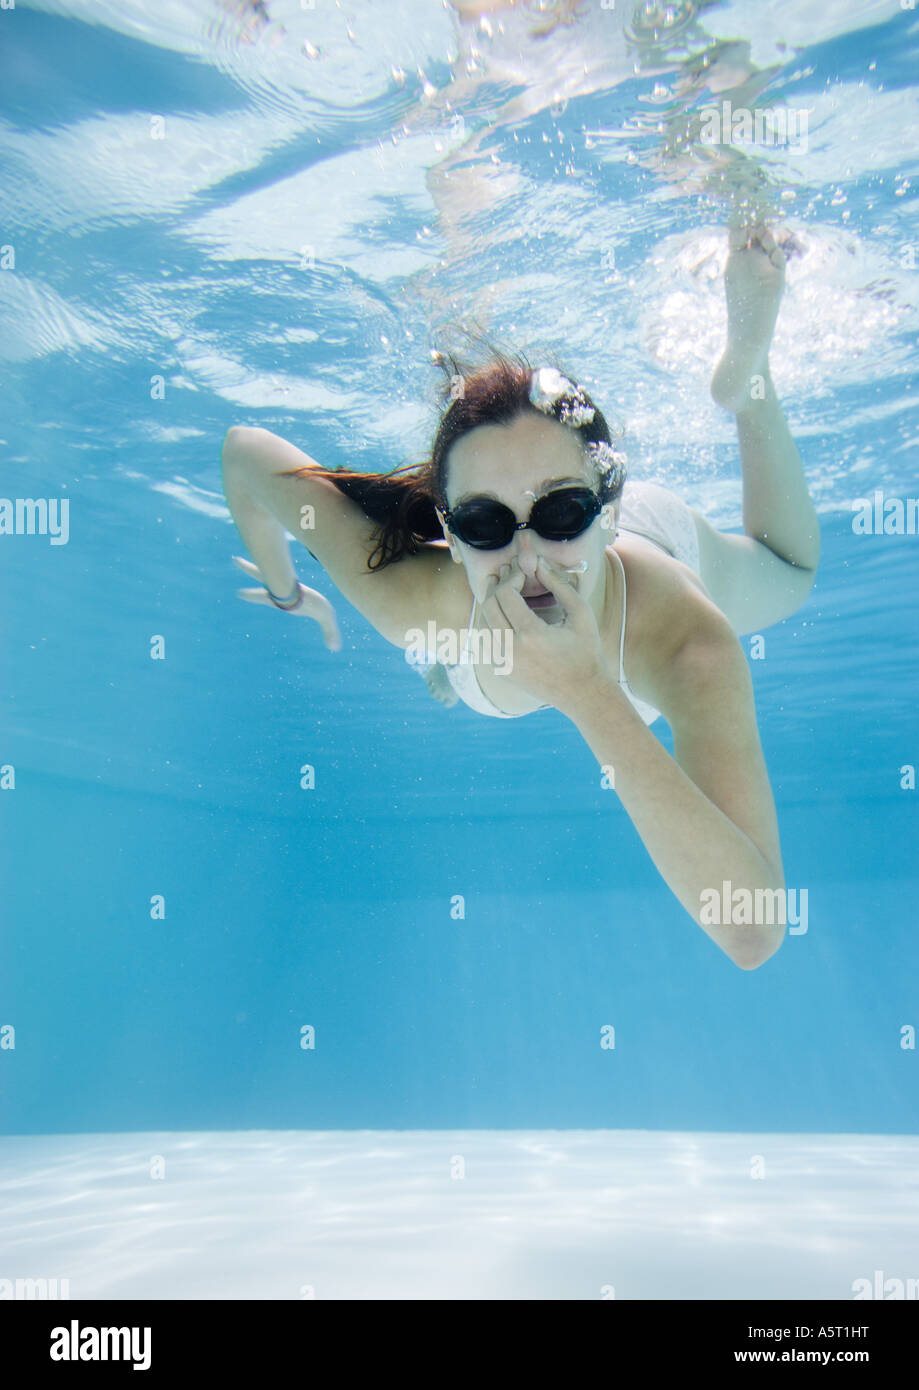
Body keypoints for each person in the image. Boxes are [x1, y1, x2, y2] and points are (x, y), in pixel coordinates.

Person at [221, 222, 819, 971]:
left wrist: (588, 692)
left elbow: (754, 932)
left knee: (790, 571)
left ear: (603, 508)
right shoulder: (413, 601)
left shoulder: (680, 632)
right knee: (439, 656)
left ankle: (749, 386)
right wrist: (290, 595)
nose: (529, 557)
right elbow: (246, 453)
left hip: (653, 550)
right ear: (448, 527)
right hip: (468, 635)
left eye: (563, 512)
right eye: (485, 523)